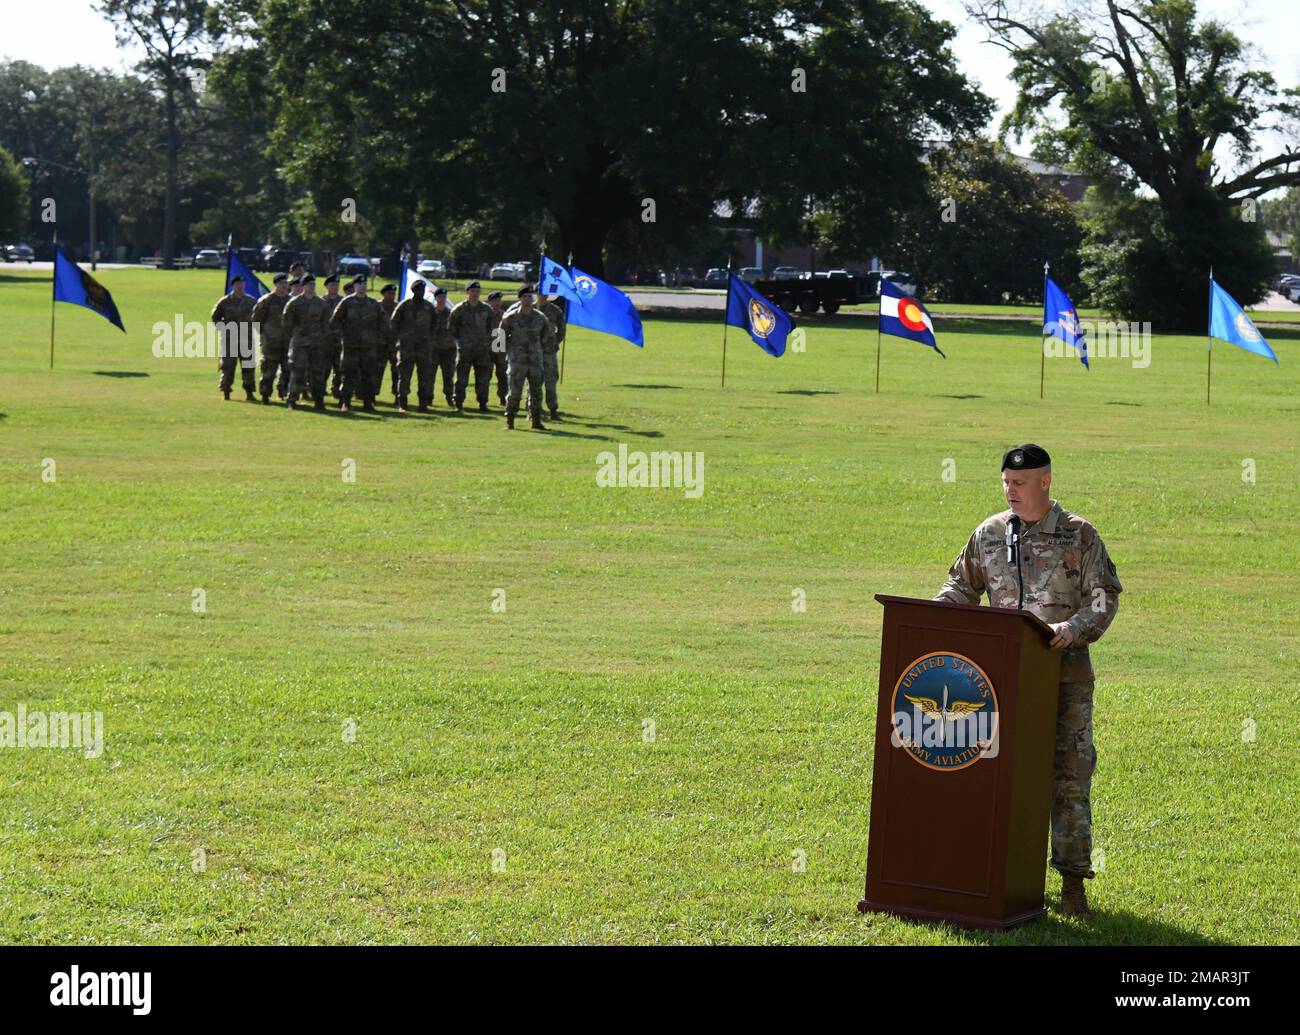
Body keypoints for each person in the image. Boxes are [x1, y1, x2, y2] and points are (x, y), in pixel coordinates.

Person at [934, 443, 1122, 916]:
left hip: (1064, 679)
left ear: (1046, 482)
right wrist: (931, 618)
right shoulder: (990, 533)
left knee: (1068, 778)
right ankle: (994, 875)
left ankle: (1072, 884)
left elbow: (1102, 599)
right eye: (1005, 483)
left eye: (1020, 483)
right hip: (997, 682)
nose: (1010, 491)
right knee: (995, 775)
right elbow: (961, 586)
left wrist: (1072, 629)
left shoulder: (1079, 535)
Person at [500, 284, 555, 430]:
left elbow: (545, 337)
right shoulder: (510, 317)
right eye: (524, 296)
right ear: (519, 298)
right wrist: (506, 353)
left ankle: (536, 420)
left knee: (536, 392)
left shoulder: (541, 318)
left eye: (530, 296)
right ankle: (510, 420)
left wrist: (539, 351)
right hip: (517, 361)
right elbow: (500, 336)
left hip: (535, 361)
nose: (528, 299)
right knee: (514, 393)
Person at [330, 275, 386, 413]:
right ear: (354, 286)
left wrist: (377, 337)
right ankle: (346, 403)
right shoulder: (347, 302)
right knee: (348, 374)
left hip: (369, 346)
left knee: (368, 375)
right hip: (351, 345)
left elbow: (383, 322)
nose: (362, 287)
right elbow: (335, 321)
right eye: (359, 284)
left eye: (364, 284)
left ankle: (368, 403)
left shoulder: (373, 304)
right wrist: (342, 336)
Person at [280, 274, 333, 410]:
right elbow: (286, 324)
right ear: (303, 286)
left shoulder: (321, 304)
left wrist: (323, 339)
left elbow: (326, 324)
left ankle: (319, 401)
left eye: (314, 285)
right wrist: (294, 337)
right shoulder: (294, 303)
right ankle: (292, 400)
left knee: (317, 374)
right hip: (299, 344)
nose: (312, 287)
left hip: (317, 344)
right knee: (297, 372)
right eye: (309, 285)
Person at [390, 280, 436, 412]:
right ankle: (402, 403)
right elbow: (394, 323)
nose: (420, 292)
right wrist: (401, 338)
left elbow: (434, 324)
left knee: (424, 376)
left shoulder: (428, 307)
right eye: (417, 290)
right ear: (413, 291)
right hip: (406, 346)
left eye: (422, 290)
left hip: (424, 347)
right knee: (404, 376)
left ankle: (423, 403)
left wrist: (429, 339)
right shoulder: (404, 305)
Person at [449, 280, 495, 412]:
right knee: (461, 378)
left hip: (482, 349)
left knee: (483, 378)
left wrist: (487, 342)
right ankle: (458, 402)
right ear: (467, 292)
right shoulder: (459, 309)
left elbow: (491, 328)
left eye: (477, 291)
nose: (475, 294)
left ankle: (482, 403)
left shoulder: (486, 309)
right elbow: (452, 328)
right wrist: (460, 341)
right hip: (465, 349)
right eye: (472, 291)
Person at [212, 274, 257, 401]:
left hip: (246, 339)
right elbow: (215, 317)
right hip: (229, 340)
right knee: (228, 367)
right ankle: (226, 392)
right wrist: (223, 329)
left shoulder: (251, 301)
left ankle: (249, 393)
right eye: (237, 284)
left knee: (248, 366)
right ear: (232, 286)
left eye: (242, 284)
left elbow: (258, 316)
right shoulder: (224, 302)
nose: (240, 286)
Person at [251, 273, 291, 404]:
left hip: (288, 342)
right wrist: (264, 335)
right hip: (270, 342)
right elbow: (256, 320)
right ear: (276, 285)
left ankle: (283, 391)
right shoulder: (266, 300)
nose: (284, 286)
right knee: (269, 370)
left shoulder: (291, 301)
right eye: (281, 283)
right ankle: (265, 395)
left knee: (288, 369)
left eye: (285, 283)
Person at [430, 287, 456, 408]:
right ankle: (428, 398)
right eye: (440, 296)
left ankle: (450, 397)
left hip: (448, 349)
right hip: (433, 349)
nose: (442, 299)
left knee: (448, 376)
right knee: (429, 375)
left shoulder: (451, 314)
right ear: (435, 298)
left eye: (444, 297)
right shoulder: (430, 313)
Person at [487, 290, 508, 406]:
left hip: (501, 349)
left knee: (503, 375)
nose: (497, 303)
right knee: (486, 375)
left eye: (499, 300)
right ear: (490, 302)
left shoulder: (505, 315)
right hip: (487, 349)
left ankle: (503, 397)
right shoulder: (485, 314)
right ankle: (483, 398)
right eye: (494, 300)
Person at [378, 283, 398, 401]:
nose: (391, 296)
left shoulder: (398, 306)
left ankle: (397, 395)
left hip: (395, 344)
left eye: (393, 293)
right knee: (377, 370)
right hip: (380, 344)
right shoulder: (377, 306)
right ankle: (373, 395)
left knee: (397, 371)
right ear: (384, 294)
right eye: (389, 293)